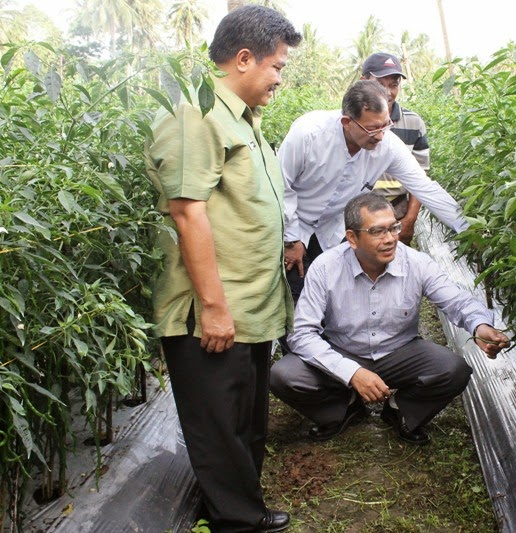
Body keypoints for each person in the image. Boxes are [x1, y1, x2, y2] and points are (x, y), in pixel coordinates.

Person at [144, 6, 301, 532]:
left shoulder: (242, 119)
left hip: (250, 304)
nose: (280, 78)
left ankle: (243, 508)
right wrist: (213, 308)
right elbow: (188, 213)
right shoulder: (196, 114)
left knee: (244, 421)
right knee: (219, 426)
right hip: (215, 309)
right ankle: (236, 521)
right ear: (242, 58)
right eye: (277, 67)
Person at [270, 193, 509, 445]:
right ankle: (344, 407)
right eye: (377, 232)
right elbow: (302, 334)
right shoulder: (326, 267)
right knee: (285, 375)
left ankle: (401, 411)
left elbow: (456, 300)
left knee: (453, 370)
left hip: (400, 352)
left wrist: (480, 325)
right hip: (343, 350)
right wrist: (352, 373)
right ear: (352, 238)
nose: (390, 239)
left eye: (393, 228)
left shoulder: (416, 263)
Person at [279, 79, 469, 301]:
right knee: (296, 295)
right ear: (346, 122)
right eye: (372, 129)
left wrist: (466, 228)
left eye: (385, 125)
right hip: (292, 221)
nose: (380, 135)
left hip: (332, 228)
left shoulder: (387, 145)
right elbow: (282, 185)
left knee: (331, 296)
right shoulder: (309, 134)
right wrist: (291, 240)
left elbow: (426, 189)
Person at [360, 52, 430, 246]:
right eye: (380, 85)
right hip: (358, 210)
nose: (388, 92)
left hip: (397, 209)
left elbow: (420, 176)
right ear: (363, 81)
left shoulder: (413, 123)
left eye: (394, 85)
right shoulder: (351, 123)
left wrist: (409, 220)